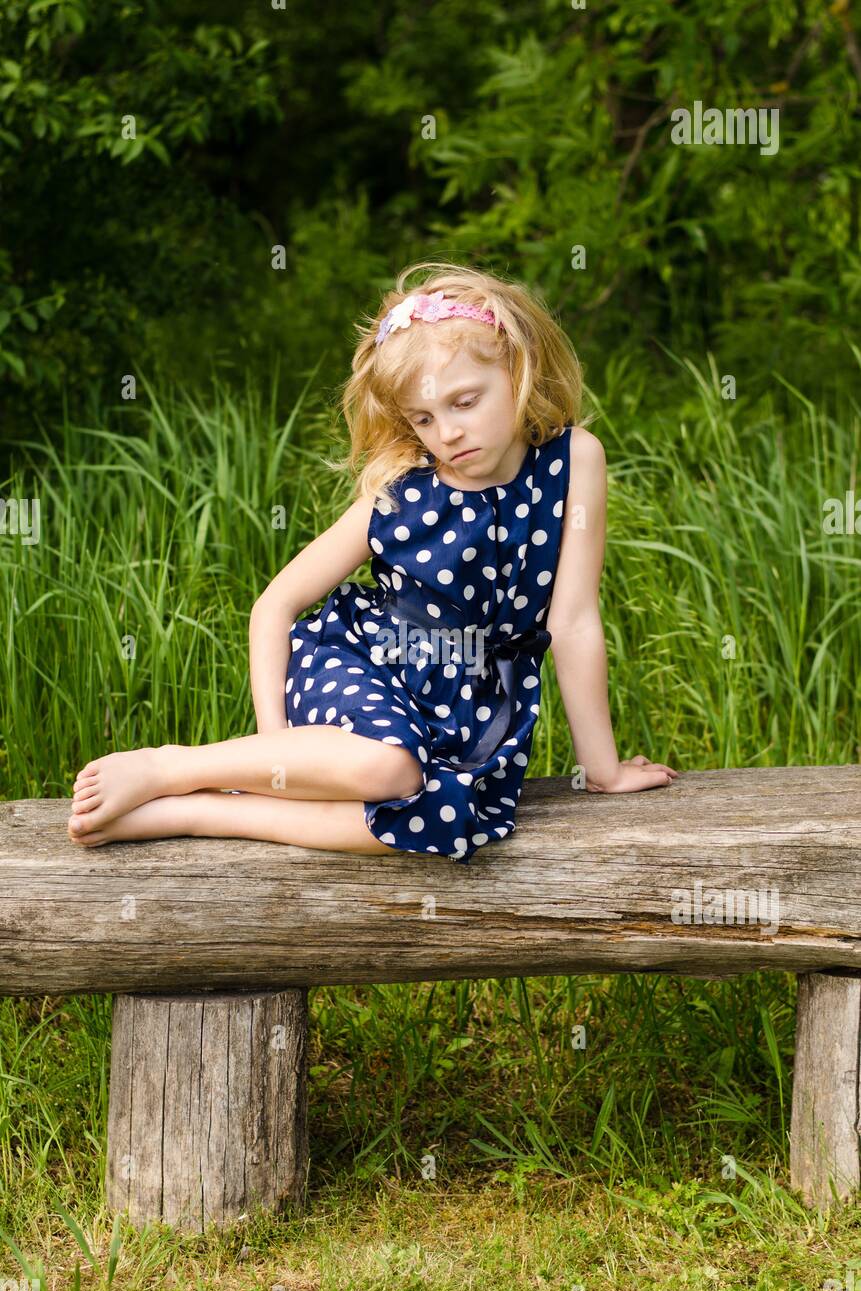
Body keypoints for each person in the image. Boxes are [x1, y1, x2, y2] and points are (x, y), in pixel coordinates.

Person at [67, 260, 677, 861]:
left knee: (452, 819)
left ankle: (191, 812)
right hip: (366, 664)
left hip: (472, 706)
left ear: (519, 370)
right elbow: (275, 604)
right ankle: (171, 767)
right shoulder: (405, 494)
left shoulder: (574, 460)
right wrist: (277, 751)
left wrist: (604, 770)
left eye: (465, 402)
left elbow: (572, 621)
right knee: (390, 768)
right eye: (424, 418)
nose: (447, 433)